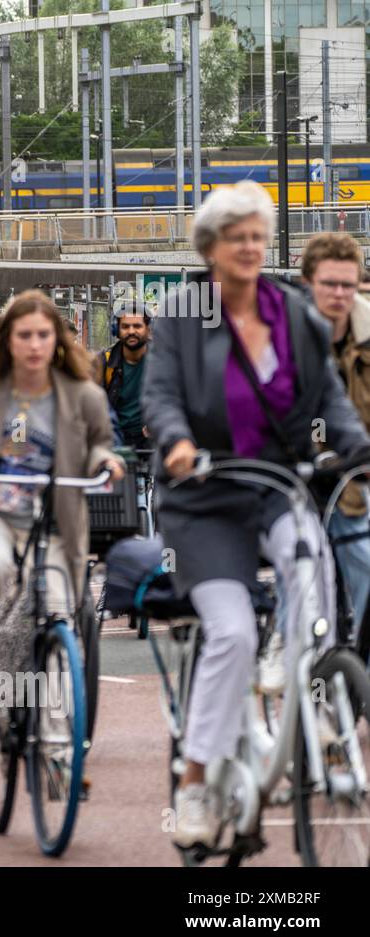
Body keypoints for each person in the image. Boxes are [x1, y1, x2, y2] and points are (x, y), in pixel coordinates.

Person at [142, 181, 370, 848]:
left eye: (258, 236)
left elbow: (327, 401)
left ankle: (311, 699)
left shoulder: (293, 314)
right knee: (232, 632)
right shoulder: (185, 315)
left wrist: (350, 451)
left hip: (279, 485)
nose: (249, 247)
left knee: (316, 591)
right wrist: (178, 442)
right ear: (210, 247)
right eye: (236, 236)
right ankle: (194, 783)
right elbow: (160, 396)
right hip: (204, 497)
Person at [0, 291, 122, 714]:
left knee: (55, 610)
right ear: (8, 340)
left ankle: (54, 736)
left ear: (57, 341)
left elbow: (99, 444)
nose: (34, 345)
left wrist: (104, 459)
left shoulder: (81, 393)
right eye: (24, 335)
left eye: (43, 335)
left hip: (53, 518)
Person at [300, 232, 370, 647]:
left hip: (357, 472)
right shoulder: (281, 336)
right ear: (308, 282)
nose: (339, 293)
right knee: (304, 571)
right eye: (329, 283)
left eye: (348, 283)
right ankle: (291, 650)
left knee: (365, 566)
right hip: (295, 471)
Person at [93, 301, 153, 449]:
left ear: (148, 329)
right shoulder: (104, 362)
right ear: (116, 330)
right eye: (125, 326)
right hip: (114, 438)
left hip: (152, 438)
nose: (131, 331)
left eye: (137, 326)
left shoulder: (162, 360)